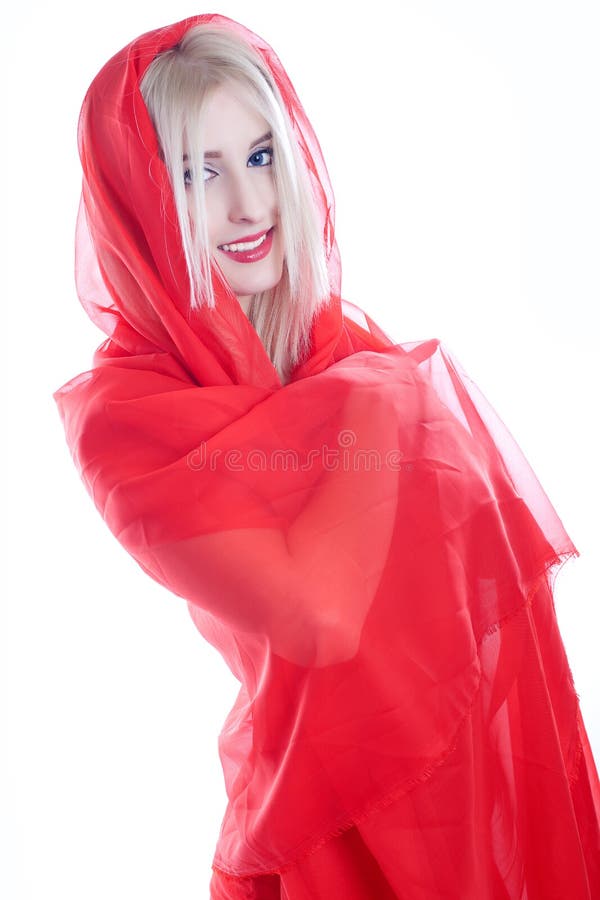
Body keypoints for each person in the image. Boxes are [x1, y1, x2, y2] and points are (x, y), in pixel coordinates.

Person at [52, 13, 600, 899]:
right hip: (316, 827)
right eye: (198, 173)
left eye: (261, 156)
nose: (247, 204)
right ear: (141, 202)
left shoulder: (342, 350)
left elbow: (473, 597)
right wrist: (386, 402)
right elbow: (320, 616)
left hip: (450, 800)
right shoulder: (126, 419)